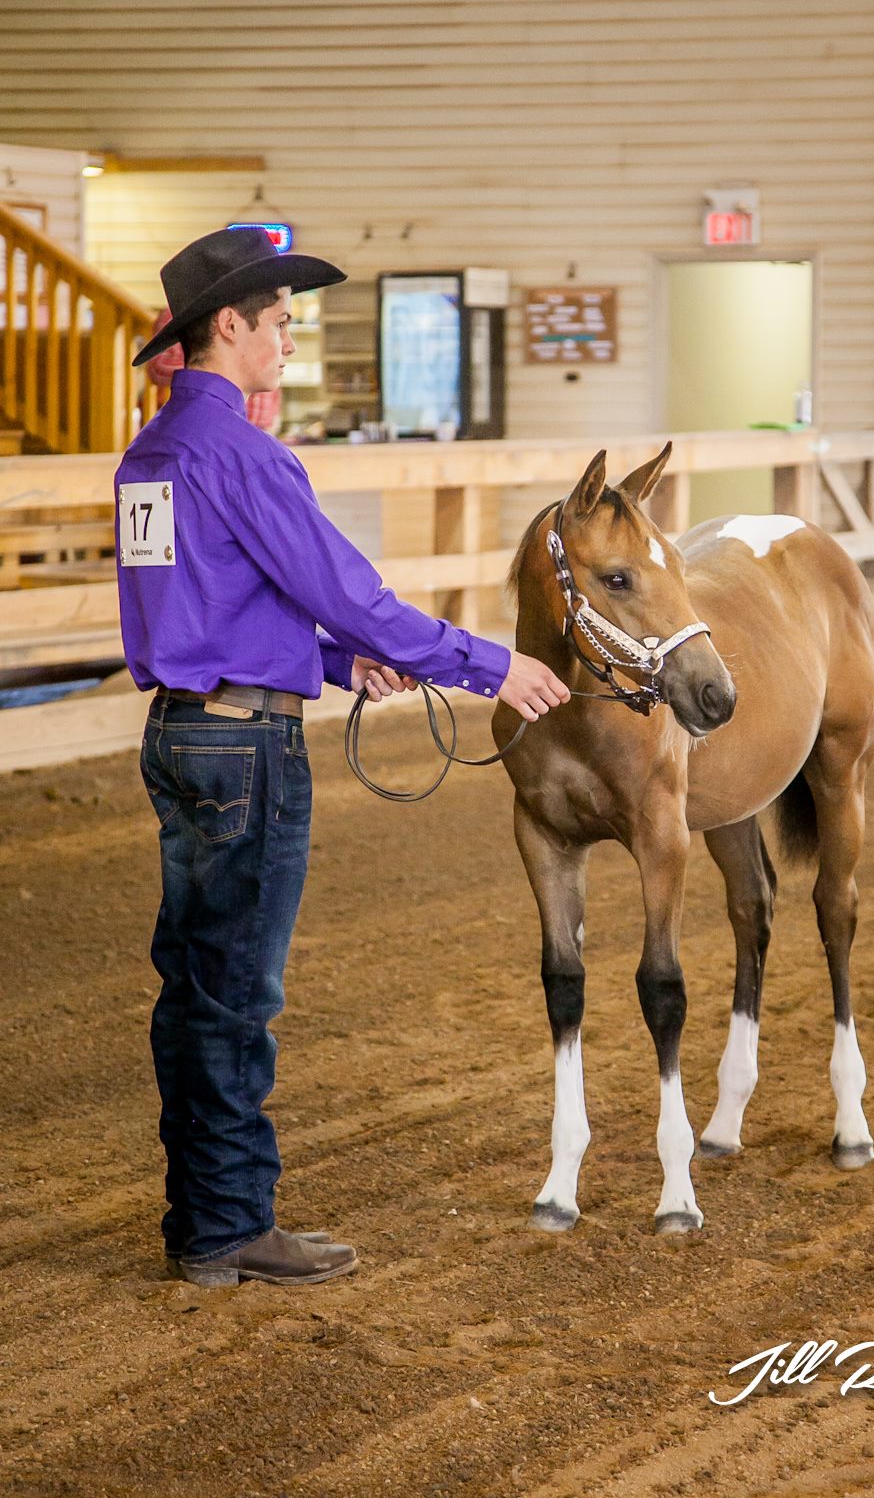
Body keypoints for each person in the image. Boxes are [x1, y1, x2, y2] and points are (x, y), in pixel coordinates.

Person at [120, 226, 569, 1289]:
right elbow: (350, 594)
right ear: (225, 326)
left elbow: (202, 606)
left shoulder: (153, 454)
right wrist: (486, 664)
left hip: (183, 732)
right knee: (236, 991)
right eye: (276, 322)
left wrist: (327, 662)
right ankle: (230, 1226)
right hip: (247, 750)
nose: (287, 338)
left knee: (191, 983)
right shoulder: (245, 456)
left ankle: (202, 1216)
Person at [144, 306, 282, 432]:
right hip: (207, 428)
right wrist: (219, 368)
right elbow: (159, 366)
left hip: (260, 429)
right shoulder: (180, 313)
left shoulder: (257, 306)